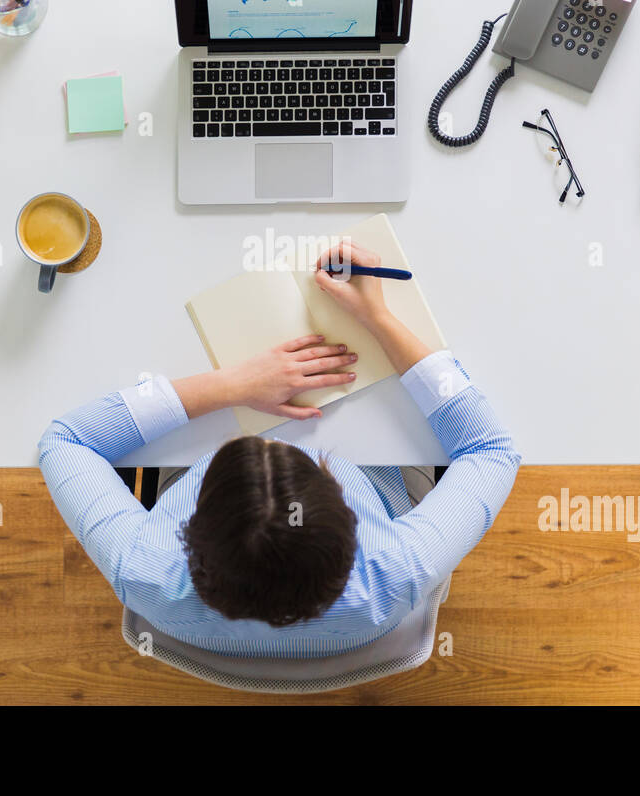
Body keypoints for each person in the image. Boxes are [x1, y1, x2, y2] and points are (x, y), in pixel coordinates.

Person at [38, 242, 520, 657]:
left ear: (190, 529)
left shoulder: (144, 571)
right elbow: (491, 450)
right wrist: (378, 317)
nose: (273, 438)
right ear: (350, 527)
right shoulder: (396, 573)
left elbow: (66, 440)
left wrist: (229, 385)